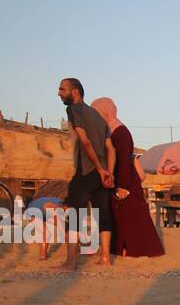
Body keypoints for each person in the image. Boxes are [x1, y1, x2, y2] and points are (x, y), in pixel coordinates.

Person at [90, 97, 164, 259]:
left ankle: (133, 251)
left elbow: (124, 160)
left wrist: (123, 186)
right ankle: (121, 250)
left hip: (126, 185)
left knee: (132, 220)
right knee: (122, 219)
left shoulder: (121, 132)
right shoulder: (112, 131)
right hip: (118, 182)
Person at [57, 77, 114, 269]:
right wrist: (108, 173)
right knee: (102, 214)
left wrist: (97, 168)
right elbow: (110, 148)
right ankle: (105, 258)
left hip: (87, 170)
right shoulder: (98, 117)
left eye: (62, 89)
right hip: (103, 173)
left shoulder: (74, 109)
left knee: (74, 215)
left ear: (75, 92)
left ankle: (71, 262)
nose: (59, 93)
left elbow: (85, 141)